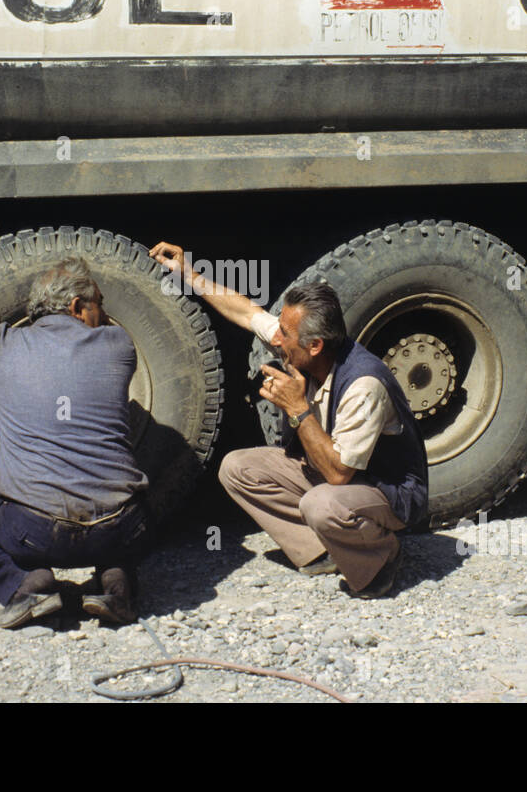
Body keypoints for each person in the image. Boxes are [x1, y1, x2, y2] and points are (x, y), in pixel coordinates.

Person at [149, 241, 427, 598]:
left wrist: (298, 410)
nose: (276, 338)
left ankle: (381, 559)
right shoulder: (300, 344)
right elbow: (245, 312)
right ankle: (322, 551)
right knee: (236, 468)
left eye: (285, 334)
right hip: (339, 472)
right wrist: (190, 275)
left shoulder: (363, 385)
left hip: (386, 490)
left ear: (315, 346)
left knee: (321, 504)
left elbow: (339, 474)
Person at [0, 225, 149, 629]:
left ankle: (25, 586)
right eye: (98, 305)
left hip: (35, 534)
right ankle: (115, 586)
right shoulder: (119, 346)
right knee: (135, 503)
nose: (102, 314)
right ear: (75, 307)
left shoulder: (0, 347)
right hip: (120, 529)